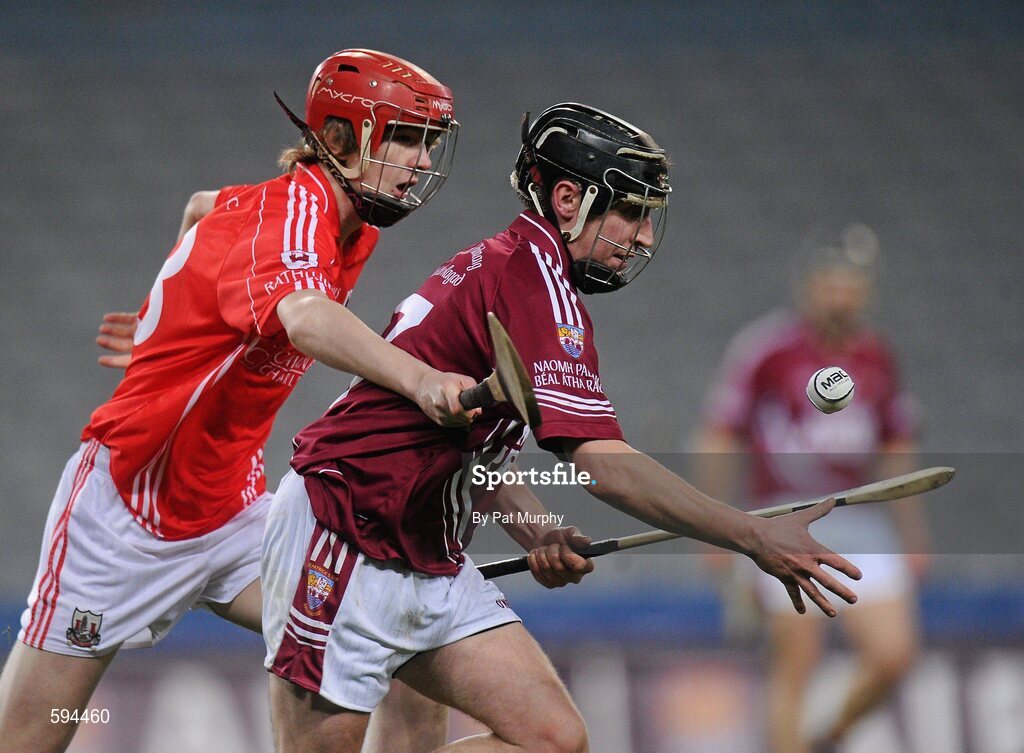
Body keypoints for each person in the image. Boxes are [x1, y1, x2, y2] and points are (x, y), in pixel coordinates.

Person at [259, 102, 863, 753]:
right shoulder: (531, 276)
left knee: (552, 738)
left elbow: (475, 456)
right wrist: (752, 534)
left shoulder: (524, 270)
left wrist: (536, 526)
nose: (644, 237)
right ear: (569, 197)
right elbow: (603, 464)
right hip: (344, 530)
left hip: (427, 552)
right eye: (630, 211)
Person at [0, 48, 482, 753]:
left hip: (234, 520)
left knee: (391, 627)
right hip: (124, 516)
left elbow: (205, 206)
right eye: (403, 137)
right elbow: (307, 317)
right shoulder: (297, 210)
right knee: (30, 740)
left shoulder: (351, 224)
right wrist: (418, 379)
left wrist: (172, 311)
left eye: (426, 141)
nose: (418, 160)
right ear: (343, 136)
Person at [694, 225, 930, 753]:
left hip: (858, 518)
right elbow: (719, 435)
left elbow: (896, 447)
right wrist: (715, 530)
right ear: (808, 286)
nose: (841, 296)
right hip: (785, 519)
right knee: (796, 662)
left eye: (852, 285)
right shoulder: (766, 350)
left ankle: (830, 736)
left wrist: (912, 532)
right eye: (830, 283)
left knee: (895, 654)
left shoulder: (876, 355)